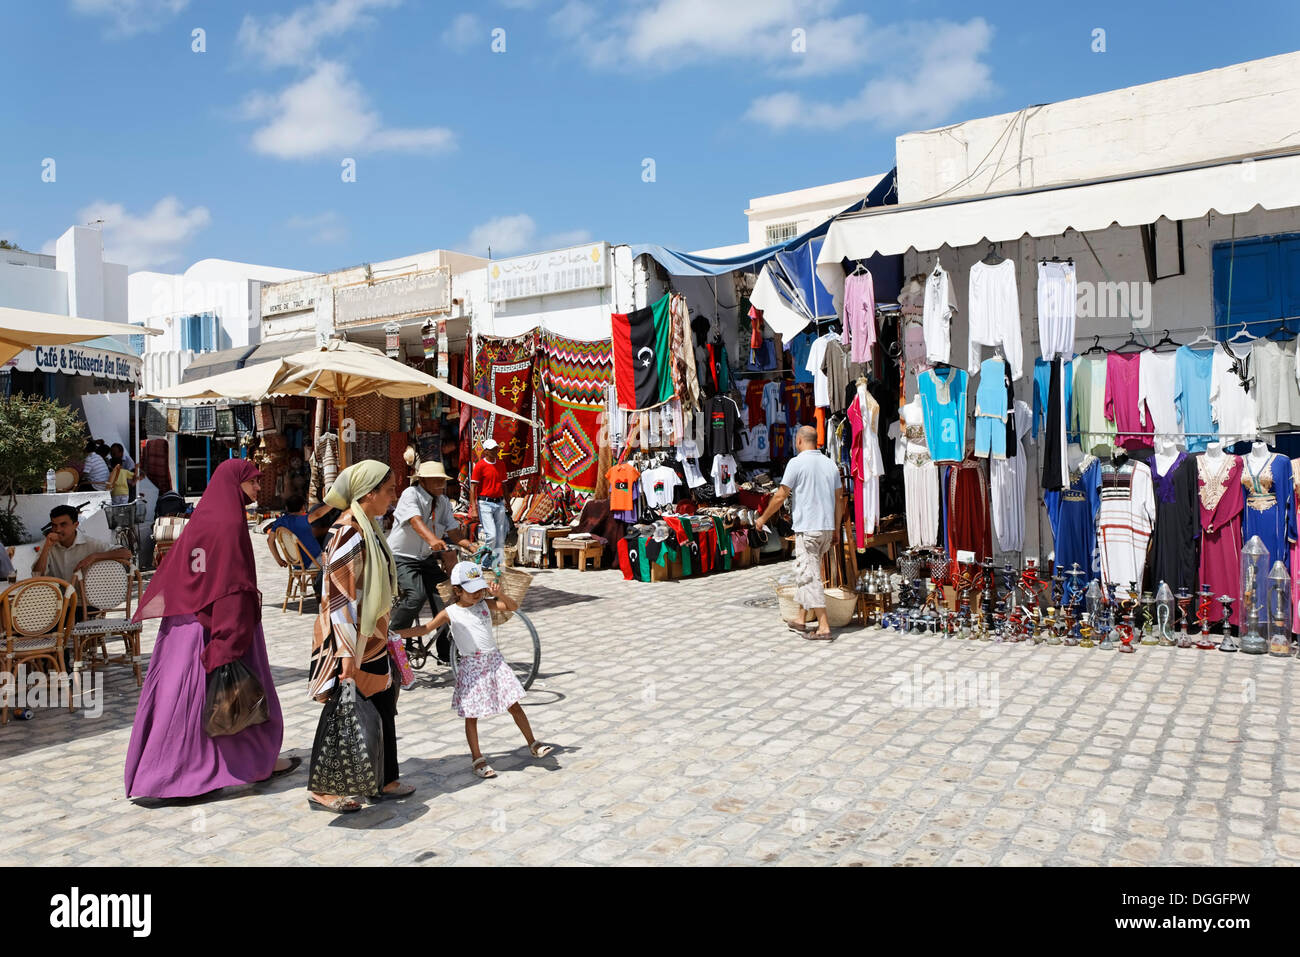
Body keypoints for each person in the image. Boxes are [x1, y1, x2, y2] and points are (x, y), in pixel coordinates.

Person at [124, 460, 296, 799]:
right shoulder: (230, 522)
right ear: (235, 482)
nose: (258, 488)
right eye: (253, 482)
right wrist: (229, 637)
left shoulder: (204, 517)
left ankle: (165, 772)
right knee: (230, 692)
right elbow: (230, 583)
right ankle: (208, 771)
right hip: (218, 622)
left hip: (183, 624)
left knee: (182, 699)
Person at [307, 461, 416, 813]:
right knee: (344, 704)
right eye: (388, 490)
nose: (393, 497)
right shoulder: (347, 533)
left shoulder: (368, 526)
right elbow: (339, 598)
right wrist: (345, 656)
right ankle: (323, 788)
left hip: (371, 635)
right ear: (369, 494)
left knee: (382, 702)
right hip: (350, 639)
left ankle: (384, 777)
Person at [410, 561, 552, 778]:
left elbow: (512, 607)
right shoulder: (450, 612)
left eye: (480, 589)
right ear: (457, 590)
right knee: (472, 714)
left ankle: (533, 743)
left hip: (494, 663)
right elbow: (424, 628)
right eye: (472, 590)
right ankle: (477, 759)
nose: (478, 594)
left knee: (514, 704)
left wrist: (501, 595)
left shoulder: (485, 604)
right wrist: (393, 633)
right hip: (472, 668)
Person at [755, 425, 844, 639]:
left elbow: (780, 495)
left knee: (810, 575)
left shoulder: (796, 463)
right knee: (807, 572)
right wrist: (836, 528)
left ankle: (823, 626)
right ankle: (801, 618)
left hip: (809, 528)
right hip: (825, 528)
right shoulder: (830, 464)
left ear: (799, 441)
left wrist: (763, 518)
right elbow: (840, 498)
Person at [388, 461, 472, 659]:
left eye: (442, 480)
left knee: (446, 598)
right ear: (423, 480)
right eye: (435, 480)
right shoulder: (411, 494)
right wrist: (433, 540)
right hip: (401, 557)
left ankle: (446, 652)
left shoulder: (442, 501)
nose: (440, 484)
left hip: (424, 558)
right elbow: (415, 521)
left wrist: (470, 546)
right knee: (416, 595)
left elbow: (452, 529)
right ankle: (390, 638)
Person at [33, 505, 131, 582]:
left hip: (85, 603)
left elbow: (126, 553)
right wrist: (46, 548)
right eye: (54, 525)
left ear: (75, 525)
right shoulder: (48, 544)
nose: (58, 530)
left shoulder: (90, 543)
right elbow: (37, 575)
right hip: (58, 602)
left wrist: (95, 556)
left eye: (63, 524)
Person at [265, 494, 324, 599]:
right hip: (313, 562)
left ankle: (315, 588)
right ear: (303, 507)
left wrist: (279, 559)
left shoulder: (280, 522)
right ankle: (323, 593)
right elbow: (318, 514)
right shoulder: (305, 519)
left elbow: (270, 541)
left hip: (296, 563)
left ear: (287, 508)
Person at [468, 439, 509, 568]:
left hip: (499, 502)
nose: (495, 451)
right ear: (485, 451)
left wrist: (508, 503)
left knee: (500, 537)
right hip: (485, 503)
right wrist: (473, 508)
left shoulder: (501, 464)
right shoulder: (480, 466)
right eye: (491, 449)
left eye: (496, 448)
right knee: (491, 535)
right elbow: (473, 488)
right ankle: (485, 561)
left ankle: (493, 564)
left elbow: (504, 485)